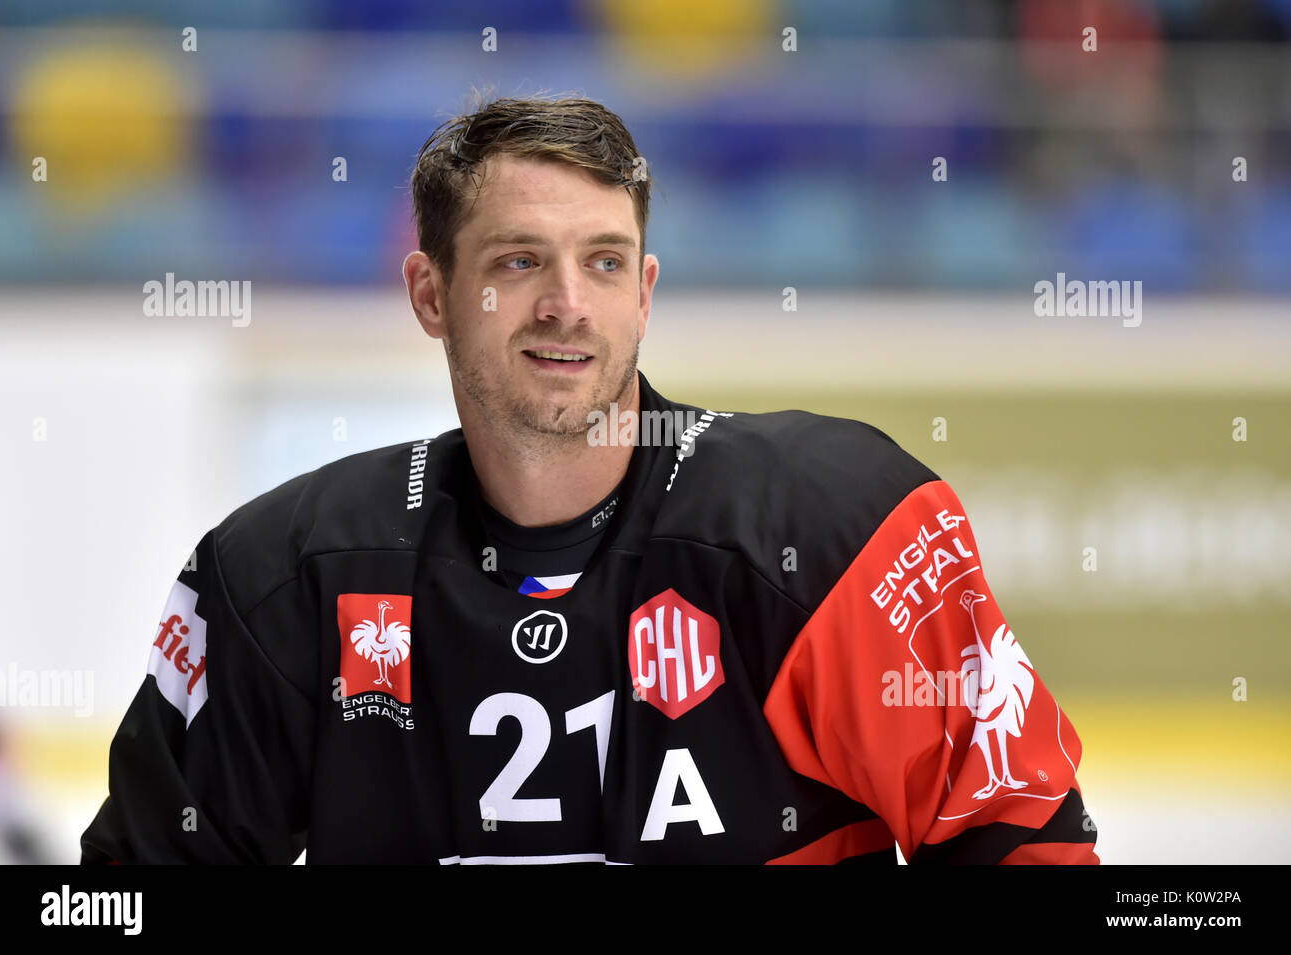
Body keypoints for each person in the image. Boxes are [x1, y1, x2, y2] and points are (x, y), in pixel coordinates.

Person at [81, 95, 1099, 864]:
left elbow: (1028, 842)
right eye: (519, 261)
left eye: (604, 262)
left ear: (645, 292)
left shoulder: (829, 533)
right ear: (430, 293)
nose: (567, 304)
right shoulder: (286, 575)